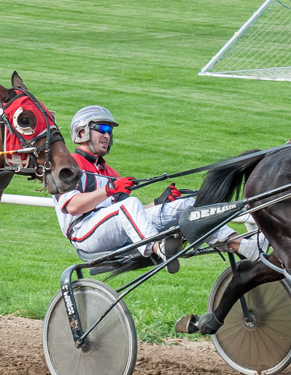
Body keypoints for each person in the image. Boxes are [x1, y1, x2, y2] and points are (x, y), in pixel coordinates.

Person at [54, 105, 262, 271]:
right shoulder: (69, 166)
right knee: (128, 204)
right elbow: (72, 207)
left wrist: (159, 204)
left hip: (113, 230)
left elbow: (131, 217)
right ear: (81, 132)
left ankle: (242, 245)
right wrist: (108, 190)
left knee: (186, 206)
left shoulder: (110, 172)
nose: (108, 136)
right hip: (84, 234)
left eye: (110, 131)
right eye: (102, 129)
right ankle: (157, 248)